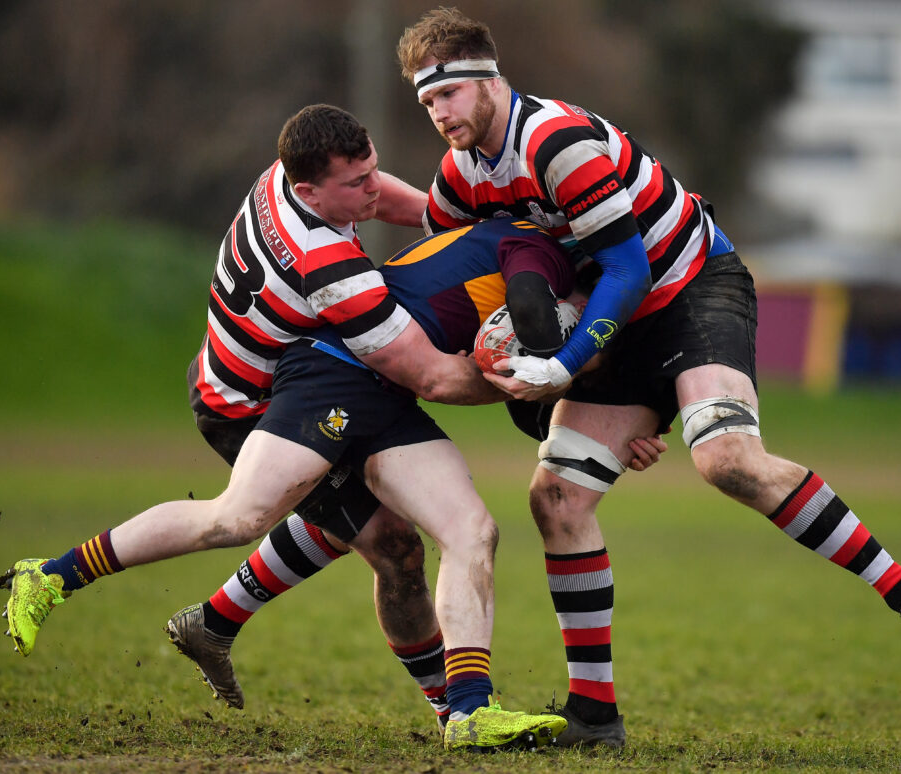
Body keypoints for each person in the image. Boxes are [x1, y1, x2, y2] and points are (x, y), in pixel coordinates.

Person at [396, 8, 901, 749]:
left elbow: (629, 268)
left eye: (448, 94)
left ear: (490, 79)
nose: (439, 113)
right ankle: (595, 716)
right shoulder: (455, 185)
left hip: (692, 286)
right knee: (558, 496)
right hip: (612, 322)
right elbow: (482, 301)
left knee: (726, 460)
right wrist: (564, 402)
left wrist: (570, 369)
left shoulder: (557, 142)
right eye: (425, 102)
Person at [0, 104, 568, 751]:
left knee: (416, 542)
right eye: (357, 185)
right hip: (250, 403)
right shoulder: (331, 268)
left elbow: (384, 204)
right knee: (239, 520)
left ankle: (465, 711)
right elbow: (430, 377)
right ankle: (50, 576)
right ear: (308, 190)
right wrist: (529, 375)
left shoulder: (288, 174)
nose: (374, 190)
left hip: (317, 381)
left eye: (373, 169)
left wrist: (451, 221)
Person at [166, 216, 669, 722]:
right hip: (342, 372)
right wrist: (563, 375)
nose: (579, 358)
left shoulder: (527, 278)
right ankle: (460, 712)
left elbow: (527, 401)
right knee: (377, 530)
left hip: (368, 378)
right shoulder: (535, 279)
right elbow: (461, 379)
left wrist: (608, 437)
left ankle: (216, 621)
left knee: (376, 528)